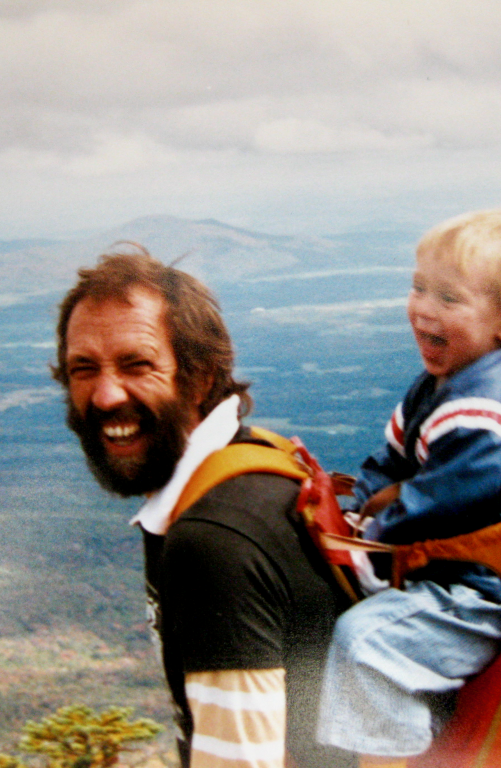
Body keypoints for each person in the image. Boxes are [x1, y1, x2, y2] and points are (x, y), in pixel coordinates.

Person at [51, 246, 354, 768]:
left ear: (202, 378)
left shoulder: (216, 540)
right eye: (83, 369)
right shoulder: (257, 459)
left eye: (136, 365)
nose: (104, 396)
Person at [316, 210, 501, 765]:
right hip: (437, 570)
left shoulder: (489, 410)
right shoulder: (441, 383)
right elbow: (389, 460)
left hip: (475, 594)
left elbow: (440, 505)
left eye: (448, 299)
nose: (422, 309)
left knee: (365, 645)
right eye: (418, 288)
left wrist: (367, 543)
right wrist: (362, 507)